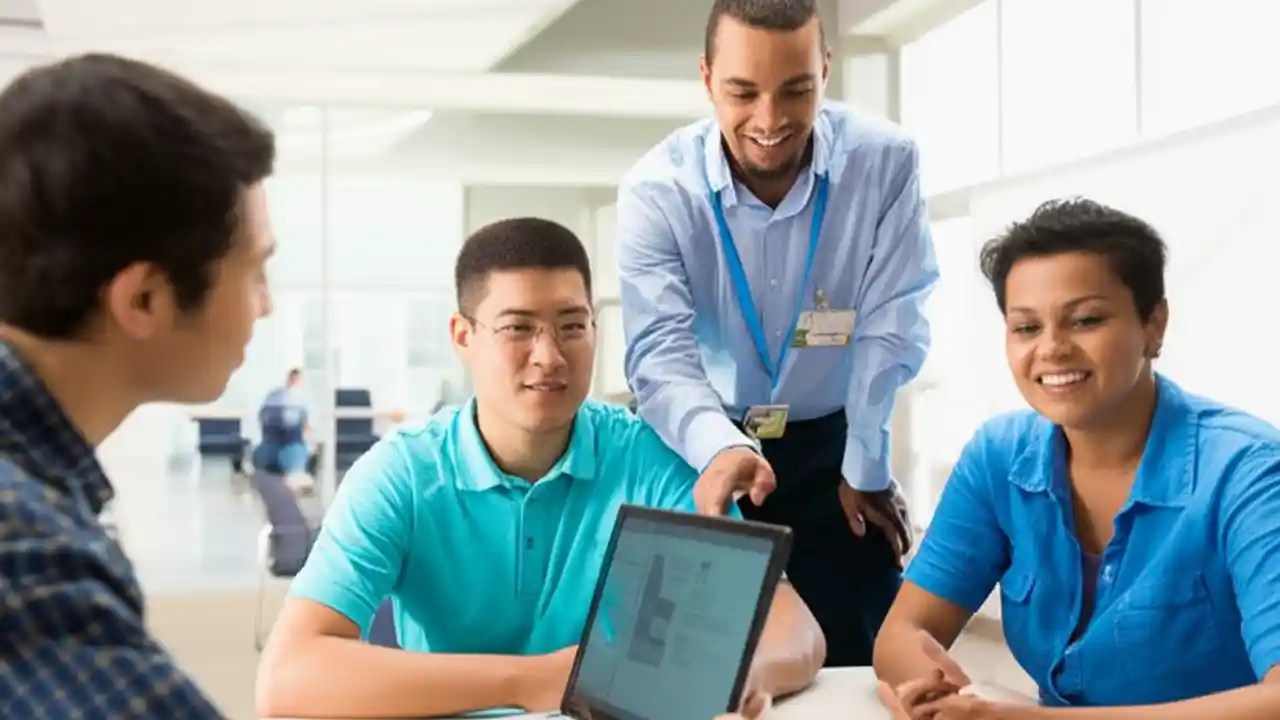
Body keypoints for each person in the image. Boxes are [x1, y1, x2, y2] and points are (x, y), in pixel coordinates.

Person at [254, 218, 825, 719]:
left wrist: (733, 681)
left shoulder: (653, 457)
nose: (549, 356)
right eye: (518, 327)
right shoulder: (401, 473)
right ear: (463, 337)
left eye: (572, 326)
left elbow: (793, 628)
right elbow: (287, 677)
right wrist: (538, 681)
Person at [616, 0, 938, 667]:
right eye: (742, 92)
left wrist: (867, 461)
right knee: (701, 666)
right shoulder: (657, 190)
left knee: (868, 657)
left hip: (832, 447)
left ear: (825, 69)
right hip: (702, 448)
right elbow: (661, 356)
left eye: (797, 90)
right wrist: (718, 448)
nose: (769, 120)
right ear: (706, 78)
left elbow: (892, 320)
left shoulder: (885, 162)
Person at [874, 198, 1280, 718]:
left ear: (1154, 325)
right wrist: (941, 696)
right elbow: (904, 633)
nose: (1052, 349)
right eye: (1026, 327)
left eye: (1086, 319)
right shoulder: (998, 458)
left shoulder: (1249, 472)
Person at [0, 54, 276, 716]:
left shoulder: (42, 492)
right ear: (145, 298)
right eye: (254, 272)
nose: (265, 305)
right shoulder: (24, 556)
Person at [252, 367, 314, 491]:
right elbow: (262, 417)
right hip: (278, 442)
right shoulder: (276, 396)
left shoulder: (299, 398)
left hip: (284, 442)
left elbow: (308, 424)